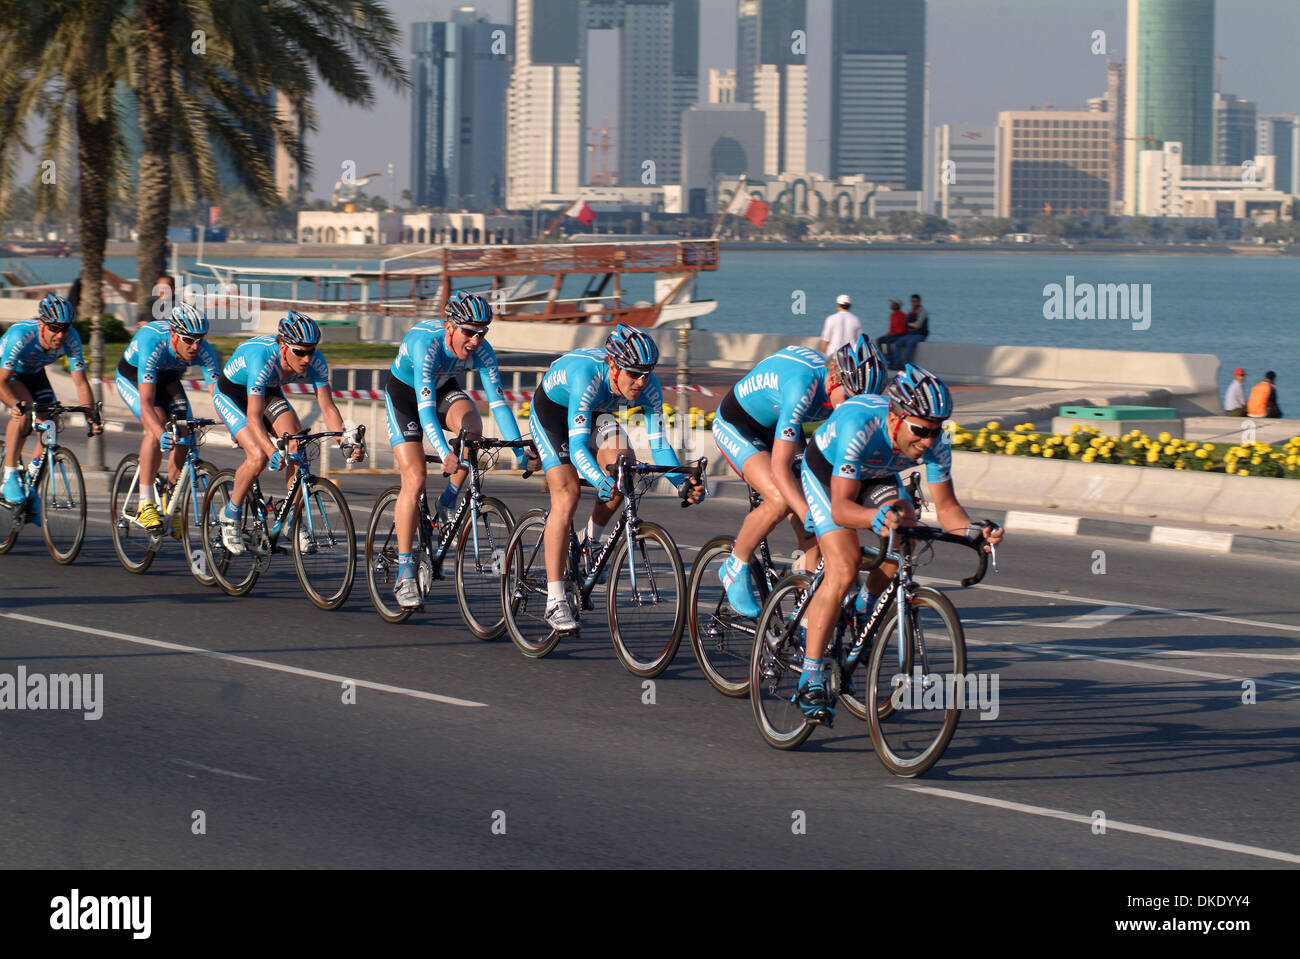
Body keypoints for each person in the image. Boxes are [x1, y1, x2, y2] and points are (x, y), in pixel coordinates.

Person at [794, 364, 1003, 724]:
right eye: (920, 431)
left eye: (936, 432)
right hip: (827, 474)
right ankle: (810, 676)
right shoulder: (860, 425)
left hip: (877, 473)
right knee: (843, 569)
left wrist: (975, 531)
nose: (927, 442)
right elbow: (843, 508)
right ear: (895, 418)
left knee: (906, 524)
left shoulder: (935, 444)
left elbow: (949, 509)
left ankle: (864, 607)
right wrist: (872, 519)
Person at [529, 324, 705, 632]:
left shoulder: (648, 385)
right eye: (633, 374)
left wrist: (681, 483)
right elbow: (580, 448)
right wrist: (598, 479)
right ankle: (555, 599)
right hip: (552, 413)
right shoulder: (589, 376)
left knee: (624, 468)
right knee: (567, 496)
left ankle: (589, 542)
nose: (640, 382)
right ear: (612, 365)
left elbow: (659, 442)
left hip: (595, 412)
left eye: (646, 374)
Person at [711, 335, 888, 618]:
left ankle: (804, 615)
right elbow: (781, 468)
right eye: (850, 399)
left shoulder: (842, 396)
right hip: (739, 425)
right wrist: (807, 510)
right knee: (781, 499)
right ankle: (735, 565)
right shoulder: (803, 385)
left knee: (811, 530)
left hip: (782, 427)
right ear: (834, 378)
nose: (854, 409)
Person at [384, 290, 540, 608]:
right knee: (414, 480)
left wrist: (521, 452)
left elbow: (499, 404)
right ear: (450, 327)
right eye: (469, 332)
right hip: (405, 397)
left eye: (482, 333)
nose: (475, 341)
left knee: (473, 433)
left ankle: (446, 504)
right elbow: (425, 411)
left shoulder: (483, 352)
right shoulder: (425, 345)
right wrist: (444, 452)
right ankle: (404, 573)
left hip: (442, 389)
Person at [211, 311, 365, 555]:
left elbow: (327, 406)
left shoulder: (315, 360)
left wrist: (343, 439)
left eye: (311, 351)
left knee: (296, 443)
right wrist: (272, 450)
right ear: (283, 346)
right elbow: (253, 417)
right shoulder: (262, 358)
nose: (306, 358)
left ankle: (292, 520)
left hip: (268, 391)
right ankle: (230, 514)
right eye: (299, 352)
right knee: (258, 456)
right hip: (233, 395)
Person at [114, 304, 222, 531]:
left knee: (186, 432)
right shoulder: (152, 342)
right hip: (134, 376)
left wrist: (236, 427)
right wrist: (159, 432)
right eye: (188, 340)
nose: (195, 346)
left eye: (200, 340)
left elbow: (219, 395)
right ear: (174, 335)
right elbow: (145, 403)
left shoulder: (203, 349)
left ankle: (171, 497)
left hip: (168, 376)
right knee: (157, 426)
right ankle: (145, 502)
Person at [0, 294, 103, 504]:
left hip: (35, 373)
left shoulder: (72, 338)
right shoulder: (21, 336)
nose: (60, 335)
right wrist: (15, 405)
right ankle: (9, 475)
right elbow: (1, 381)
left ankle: (31, 483)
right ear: (42, 325)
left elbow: (81, 383)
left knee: (51, 423)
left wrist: (91, 417)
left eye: (65, 328)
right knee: (23, 413)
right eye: (55, 328)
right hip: (7, 375)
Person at [893, 293, 929, 368]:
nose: (914, 303)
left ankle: (906, 364)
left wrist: (910, 325)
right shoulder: (910, 311)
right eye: (912, 301)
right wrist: (911, 325)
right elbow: (907, 324)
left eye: (916, 301)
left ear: (919, 302)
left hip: (920, 335)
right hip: (911, 334)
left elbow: (918, 325)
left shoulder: (923, 311)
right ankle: (897, 363)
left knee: (910, 343)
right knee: (897, 343)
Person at [877, 299, 907, 369]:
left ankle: (890, 360)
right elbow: (891, 328)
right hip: (893, 334)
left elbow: (902, 329)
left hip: (899, 335)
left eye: (893, 304)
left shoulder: (902, 315)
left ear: (897, 306)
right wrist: (889, 334)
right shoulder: (892, 315)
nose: (891, 305)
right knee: (880, 340)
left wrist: (893, 333)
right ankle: (885, 357)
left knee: (887, 341)